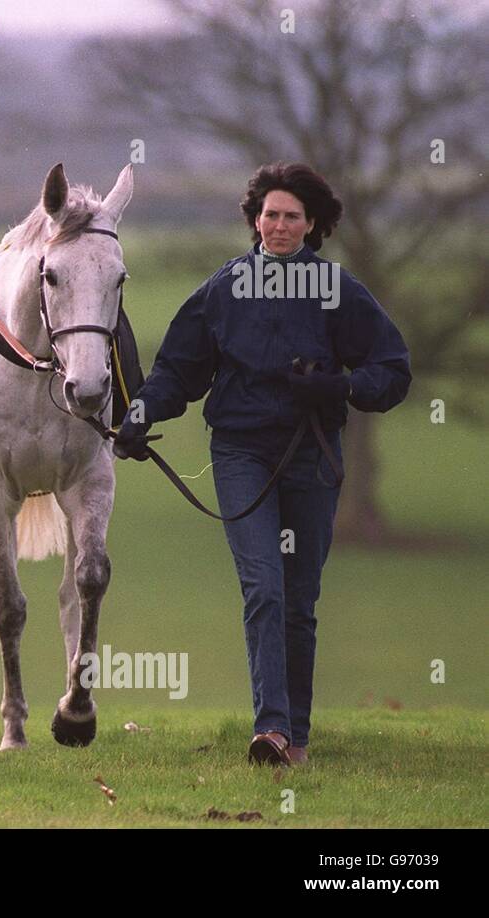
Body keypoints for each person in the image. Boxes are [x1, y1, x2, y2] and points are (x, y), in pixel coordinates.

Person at [113, 162, 410, 766]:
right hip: (242, 453)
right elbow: (179, 371)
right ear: (254, 220)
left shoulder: (340, 292)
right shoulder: (222, 289)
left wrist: (342, 388)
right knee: (264, 589)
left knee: (300, 600)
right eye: (269, 214)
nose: (278, 225)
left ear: (312, 224)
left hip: (313, 457)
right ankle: (270, 730)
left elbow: (393, 371)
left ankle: (296, 738)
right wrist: (142, 411)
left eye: (291, 216)